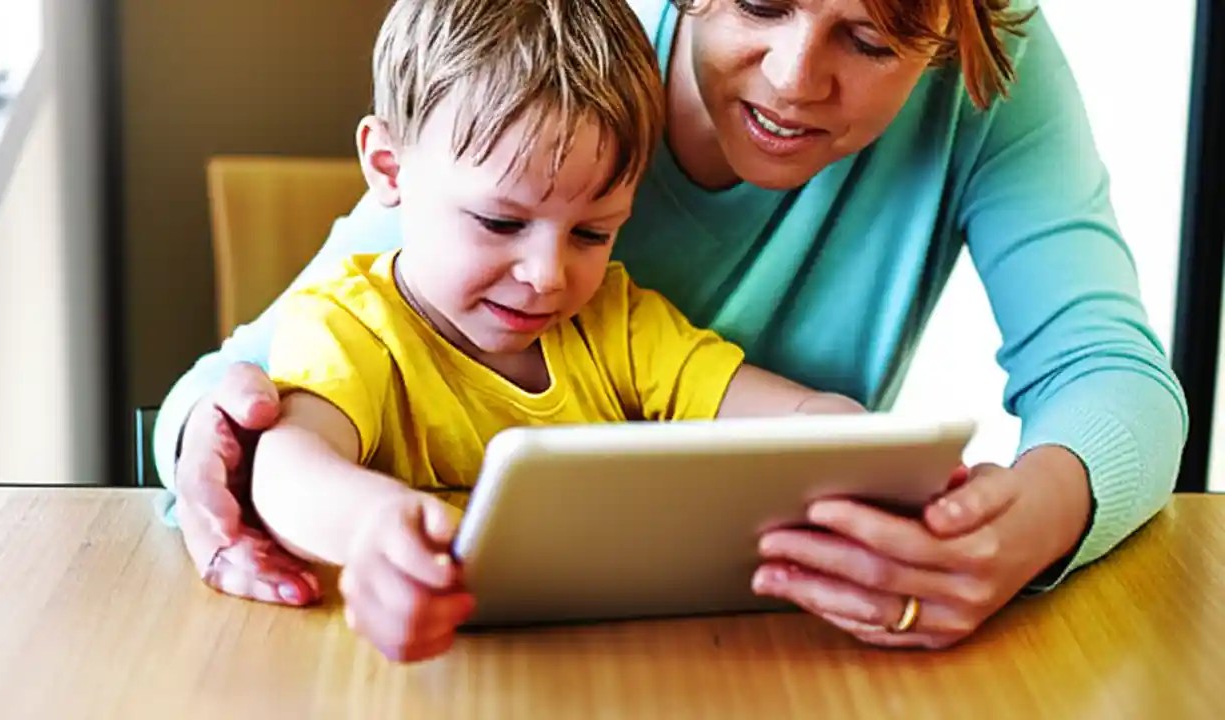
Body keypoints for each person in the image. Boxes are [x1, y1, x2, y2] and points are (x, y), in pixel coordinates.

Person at [155, 0, 1188, 653]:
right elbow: (264, 401)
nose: (793, 78)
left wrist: (1004, 516)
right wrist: (338, 507)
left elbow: (1108, 371)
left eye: (871, 38)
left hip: (754, 643)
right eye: (760, 2)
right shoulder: (553, 45)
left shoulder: (615, 316)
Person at [248, 0, 863, 662]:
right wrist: (373, 527)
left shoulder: (618, 325)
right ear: (389, 166)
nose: (546, 276)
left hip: (597, 665)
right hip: (412, 665)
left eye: (592, 233)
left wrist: (858, 441)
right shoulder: (347, 325)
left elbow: (799, 421)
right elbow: (287, 468)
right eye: (501, 223)